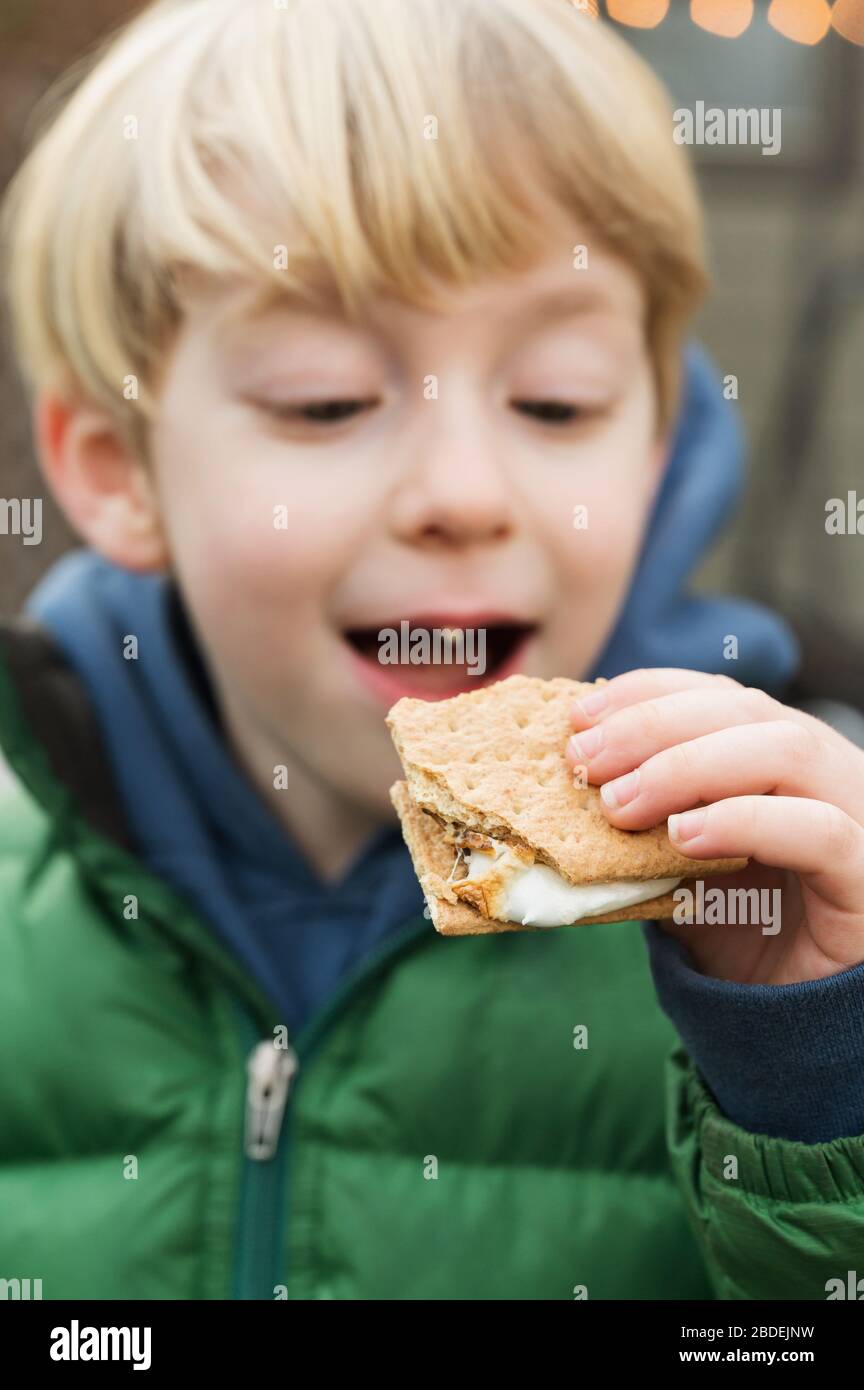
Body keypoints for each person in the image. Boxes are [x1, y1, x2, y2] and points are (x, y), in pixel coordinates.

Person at [1, 0, 862, 1300]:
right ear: (118, 467)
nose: (465, 491)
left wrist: (815, 1063)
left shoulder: (800, 893)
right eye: (326, 399)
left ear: (654, 443)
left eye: (557, 399)